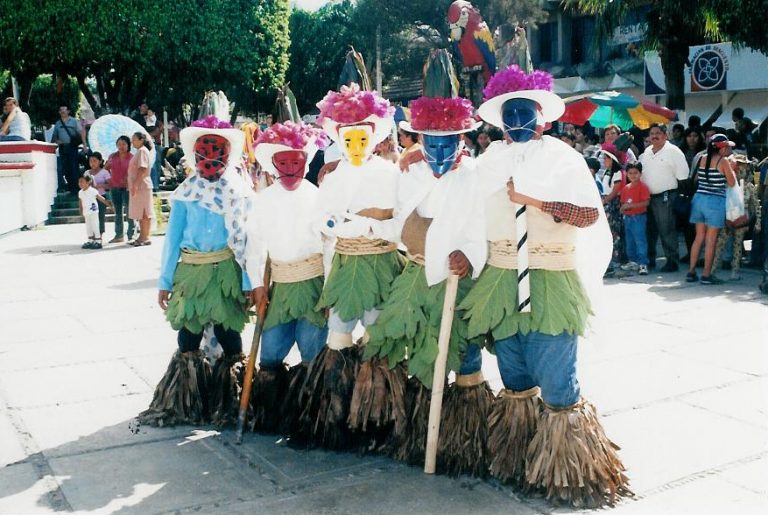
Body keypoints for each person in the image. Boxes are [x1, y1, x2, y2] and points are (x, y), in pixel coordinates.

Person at [461, 65, 629, 507]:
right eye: (509, 114)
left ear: (541, 115)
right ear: (499, 119)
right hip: (500, 278)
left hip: (551, 279)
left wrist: (537, 201)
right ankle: (519, 457)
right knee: (514, 374)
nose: (517, 122)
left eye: (525, 113)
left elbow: (589, 215)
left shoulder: (563, 159)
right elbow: (465, 210)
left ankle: (569, 471)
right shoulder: (488, 162)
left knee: (556, 376)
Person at [358, 96, 489, 473]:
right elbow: (396, 214)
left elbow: (480, 222)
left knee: (463, 350)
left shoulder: (473, 174)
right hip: (416, 274)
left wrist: (468, 254)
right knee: (418, 346)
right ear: (421, 142)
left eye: (450, 142)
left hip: (456, 279)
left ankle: (466, 434)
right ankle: (419, 429)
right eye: (432, 143)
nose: (441, 150)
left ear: (463, 140)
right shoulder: (409, 172)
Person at [294, 83, 401, 450]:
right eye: (349, 140)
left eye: (362, 139)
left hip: (380, 265)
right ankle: (334, 418)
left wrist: (371, 226)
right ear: (339, 138)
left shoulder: (391, 175)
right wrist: (336, 226)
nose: (356, 147)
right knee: (338, 336)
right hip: (343, 265)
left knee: (376, 336)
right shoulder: (333, 178)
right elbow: (320, 224)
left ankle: (378, 418)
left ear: (374, 138)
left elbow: (402, 225)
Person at [138, 116, 256, 427]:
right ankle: (184, 401)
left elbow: (247, 241)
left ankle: (230, 400)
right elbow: (172, 241)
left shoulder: (239, 193)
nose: (211, 162)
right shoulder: (184, 194)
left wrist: (247, 282)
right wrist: (165, 281)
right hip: (191, 274)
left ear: (228, 156)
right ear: (195, 156)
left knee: (229, 333)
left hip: (226, 274)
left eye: (218, 154)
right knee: (188, 335)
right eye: (204, 155)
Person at [246, 121, 329, 434]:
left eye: (297, 162)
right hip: (279, 287)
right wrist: (257, 285)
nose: (291, 169)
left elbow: (330, 244)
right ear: (273, 165)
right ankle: (269, 413)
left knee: (312, 352)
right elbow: (255, 246)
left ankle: (313, 420)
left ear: (306, 163)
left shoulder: (319, 197)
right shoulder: (262, 201)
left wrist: (330, 290)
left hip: (313, 285)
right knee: (270, 352)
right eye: (284, 163)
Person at [639, 123, 690, 271]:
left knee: (666, 230)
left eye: (658, 133)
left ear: (665, 135)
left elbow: (683, 176)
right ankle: (650, 259)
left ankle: (672, 261)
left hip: (666, 197)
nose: (654, 136)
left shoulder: (674, 151)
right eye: (652, 133)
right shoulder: (647, 151)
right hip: (647, 197)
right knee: (649, 231)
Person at [686, 134, 736, 284]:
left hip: (699, 199)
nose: (729, 149)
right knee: (711, 240)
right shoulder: (724, 161)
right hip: (715, 201)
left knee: (698, 238)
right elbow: (732, 183)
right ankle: (707, 275)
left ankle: (691, 271)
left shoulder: (702, 158)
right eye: (727, 147)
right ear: (721, 148)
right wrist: (732, 169)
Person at [712, 154, 760, 280]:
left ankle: (734, 271)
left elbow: (756, 205)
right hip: (728, 217)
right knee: (720, 244)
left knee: (737, 245)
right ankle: (713, 270)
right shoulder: (727, 183)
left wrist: (758, 222)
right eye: (739, 164)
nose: (741, 168)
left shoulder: (748, 186)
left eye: (743, 165)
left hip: (741, 218)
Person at [600, 143, 628, 275]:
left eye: (606, 158)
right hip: (605, 202)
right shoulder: (607, 172)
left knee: (615, 232)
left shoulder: (618, 173)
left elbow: (615, 191)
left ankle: (617, 258)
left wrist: (605, 200)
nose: (604, 160)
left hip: (612, 204)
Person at [619, 162, 651, 275]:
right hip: (627, 218)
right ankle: (632, 261)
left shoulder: (643, 187)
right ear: (626, 174)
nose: (633, 175)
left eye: (635, 173)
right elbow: (623, 202)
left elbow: (646, 203)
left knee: (640, 240)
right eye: (630, 173)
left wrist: (631, 206)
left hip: (639, 218)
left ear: (640, 174)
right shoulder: (625, 188)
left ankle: (643, 263)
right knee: (630, 241)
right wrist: (623, 209)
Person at [105, 136, 135, 243]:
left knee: (129, 211)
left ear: (128, 145)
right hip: (115, 186)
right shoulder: (112, 157)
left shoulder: (132, 157)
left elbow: (135, 172)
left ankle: (132, 234)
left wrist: (128, 178)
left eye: (124, 144)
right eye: (119, 144)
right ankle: (119, 235)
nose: (121, 146)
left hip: (128, 187)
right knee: (117, 212)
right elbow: (105, 171)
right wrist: (106, 166)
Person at [127, 132, 155, 246]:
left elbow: (142, 168)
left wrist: (136, 184)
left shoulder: (142, 151)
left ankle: (145, 236)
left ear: (141, 140)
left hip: (142, 185)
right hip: (139, 185)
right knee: (140, 211)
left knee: (144, 211)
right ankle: (142, 236)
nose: (132, 142)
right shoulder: (139, 151)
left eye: (134, 140)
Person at [52, 105, 83, 194]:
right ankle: (70, 188)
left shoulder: (74, 121)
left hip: (72, 147)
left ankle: (77, 188)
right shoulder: (58, 123)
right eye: (60, 110)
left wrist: (83, 144)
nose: (62, 112)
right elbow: (54, 136)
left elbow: (80, 133)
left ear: (68, 111)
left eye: (64, 110)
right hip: (62, 148)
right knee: (65, 168)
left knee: (74, 167)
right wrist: (57, 141)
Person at [77, 175, 110, 249]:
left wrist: (108, 204)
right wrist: (81, 211)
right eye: (79, 182)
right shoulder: (80, 192)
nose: (80, 183)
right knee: (88, 226)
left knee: (95, 225)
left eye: (82, 182)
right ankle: (90, 240)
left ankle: (98, 241)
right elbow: (80, 202)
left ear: (88, 182)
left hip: (93, 211)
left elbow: (100, 198)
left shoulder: (92, 190)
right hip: (86, 212)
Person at [83, 152, 111, 239]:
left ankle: (100, 234)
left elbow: (110, 185)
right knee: (90, 217)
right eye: (91, 161)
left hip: (101, 197)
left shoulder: (104, 172)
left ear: (100, 161)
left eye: (95, 161)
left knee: (100, 216)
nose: (92, 163)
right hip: (89, 198)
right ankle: (92, 234)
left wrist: (99, 185)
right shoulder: (87, 172)